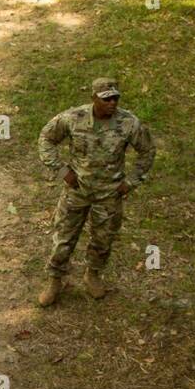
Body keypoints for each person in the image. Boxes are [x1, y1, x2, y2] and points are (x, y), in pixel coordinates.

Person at [36, 78, 156, 305]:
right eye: (106, 99)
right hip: (77, 191)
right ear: (93, 99)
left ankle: (92, 275)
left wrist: (130, 182)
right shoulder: (73, 118)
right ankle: (55, 279)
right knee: (64, 237)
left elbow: (147, 151)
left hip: (109, 195)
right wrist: (62, 171)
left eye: (115, 98)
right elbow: (46, 139)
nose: (112, 103)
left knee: (103, 239)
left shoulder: (128, 123)